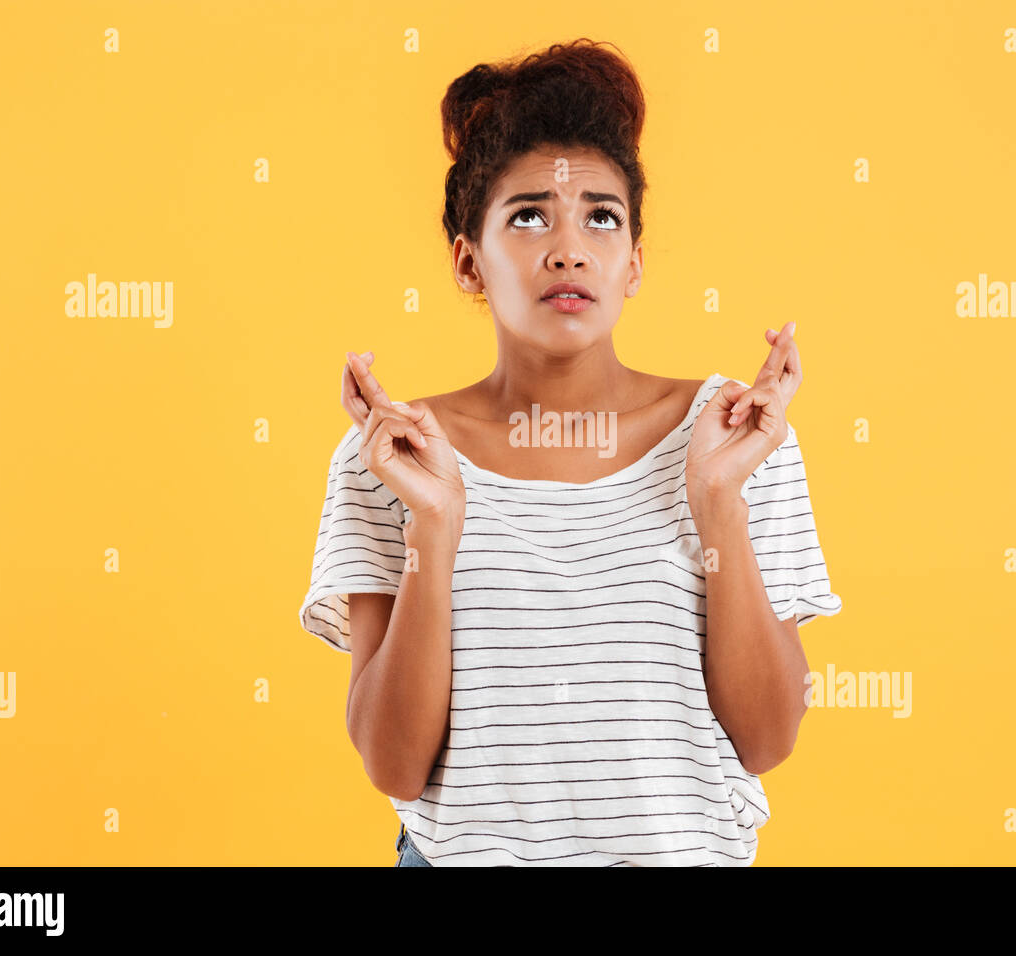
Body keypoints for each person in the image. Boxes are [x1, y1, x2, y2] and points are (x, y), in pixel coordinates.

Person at [299, 38, 842, 866]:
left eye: (601, 216)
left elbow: (767, 738)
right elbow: (393, 761)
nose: (568, 248)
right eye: (527, 216)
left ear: (632, 264)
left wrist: (718, 508)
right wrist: (434, 531)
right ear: (467, 261)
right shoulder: (396, 458)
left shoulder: (735, 435)